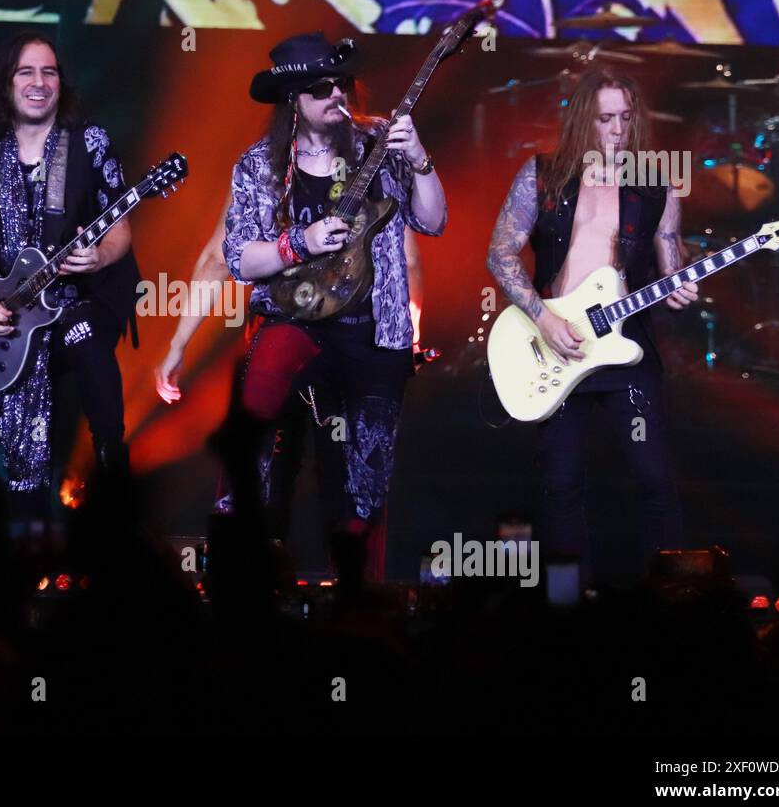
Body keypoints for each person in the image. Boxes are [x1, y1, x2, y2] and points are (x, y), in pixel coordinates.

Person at [220, 31, 447, 577]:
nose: (335, 95)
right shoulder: (260, 166)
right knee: (259, 395)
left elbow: (435, 221)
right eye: (320, 88)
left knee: (366, 475)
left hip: (373, 328)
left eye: (341, 83)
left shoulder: (378, 144)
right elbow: (238, 258)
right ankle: (238, 550)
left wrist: (418, 159)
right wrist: (298, 242)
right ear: (292, 100)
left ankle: (360, 597)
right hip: (297, 321)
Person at [486, 68, 698, 572]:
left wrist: (684, 285)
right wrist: (543, 318)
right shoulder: (542, 175)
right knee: (560, 485)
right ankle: (563, 609)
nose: (617, 129)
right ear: (585, 118)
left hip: (627, 347)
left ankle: (671, 606)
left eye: (626, 117)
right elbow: (500, 255)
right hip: (558, 344)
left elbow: (671, 262)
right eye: (605, 118)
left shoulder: (656, 186)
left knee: (655, 480)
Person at [0, 32, 141, 527]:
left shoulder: (87, 144)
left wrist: (97, 258)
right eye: (26, 71)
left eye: (49, 71)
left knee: (87, 337)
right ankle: (28, 538)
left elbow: (120, 233)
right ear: (8, 84)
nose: (38, 82)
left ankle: (114, 476)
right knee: (17, 418)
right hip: (7, 315)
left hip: (74, 302)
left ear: (60, 84)